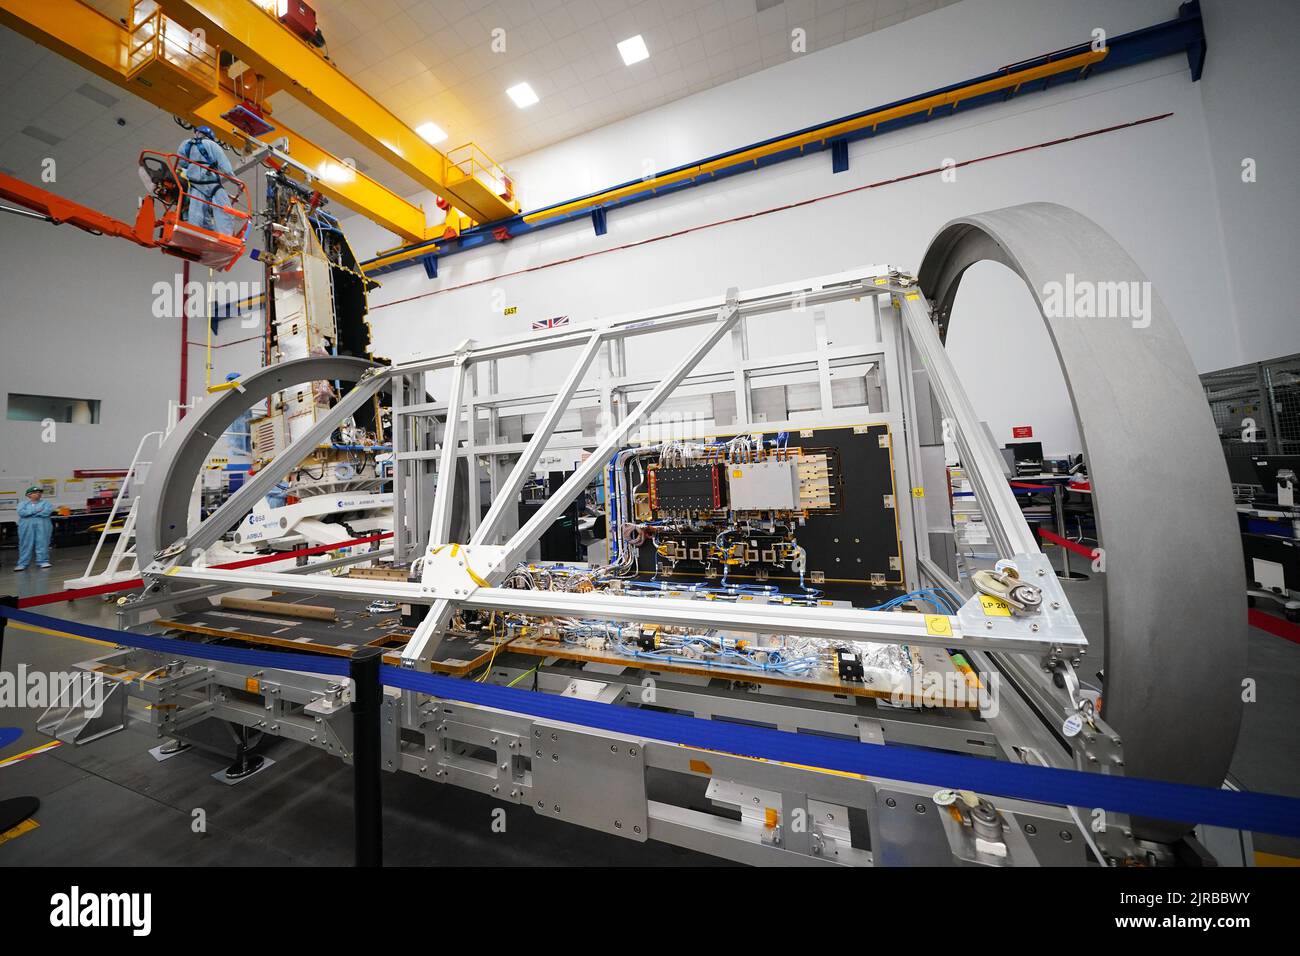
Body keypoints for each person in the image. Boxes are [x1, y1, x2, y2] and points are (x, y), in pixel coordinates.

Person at [177, 126, 238, 235]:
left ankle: (195, 233)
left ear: (196, 132)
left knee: (196, 210)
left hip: (195, 183)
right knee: (224, 208)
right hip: (211, 182)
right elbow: (225, 167)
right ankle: (226, 235)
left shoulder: (186, 145)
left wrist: (193, 166)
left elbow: (182, 163)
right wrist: (237, 182)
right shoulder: (212, 145)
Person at [15, 486, 54, 571]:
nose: (38, 494)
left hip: (43, 525)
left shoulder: (46, 503)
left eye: (40, 493)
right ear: (29, 495)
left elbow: (47, 512)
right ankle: (22, 563)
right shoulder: (23, 504)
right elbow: (21, 512)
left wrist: (30, 513)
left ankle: (43, 561)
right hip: (26, 526)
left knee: (43, 542)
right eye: (36, 493)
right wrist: (36, 511)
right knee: (25, 543)